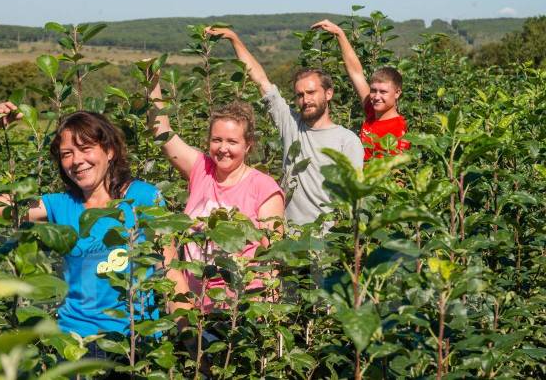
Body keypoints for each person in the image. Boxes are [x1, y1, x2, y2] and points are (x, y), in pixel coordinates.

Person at [0, 103, 188, 338]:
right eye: (66, 154)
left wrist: (190, 338)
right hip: (76, 342)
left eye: (85, 148)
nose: (77, 160)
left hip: (135, 341)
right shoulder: (60, 205)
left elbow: (170, 271)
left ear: (110, 150)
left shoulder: (143, 197)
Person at [148, 75, 284, 311]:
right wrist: (151, 79)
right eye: (216, 140)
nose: (223, 149)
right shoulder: (202, 170)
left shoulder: (263, 187)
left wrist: (265, 315)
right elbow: (163, 133)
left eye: (232, 141)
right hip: (193, 306)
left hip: (241, 309)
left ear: (248, 144)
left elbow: (272, 259)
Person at [205, 27, 364, 225]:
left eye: (311, 92)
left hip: (328, 243)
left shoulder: (347, 141)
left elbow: (355, 197)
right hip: (288, 238)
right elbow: (261, 80)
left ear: (328, 94)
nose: (305, 100)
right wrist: (234, 39)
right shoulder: (291, 124)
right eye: (300, 95)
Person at [311, 19, 411, 161]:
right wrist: (339, 34)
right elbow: (355, 72)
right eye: (373, 90)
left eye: (383, 92)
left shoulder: (398, 128)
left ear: (397, 93)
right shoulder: (372, 110)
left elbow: (398, 174)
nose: (376, 97)